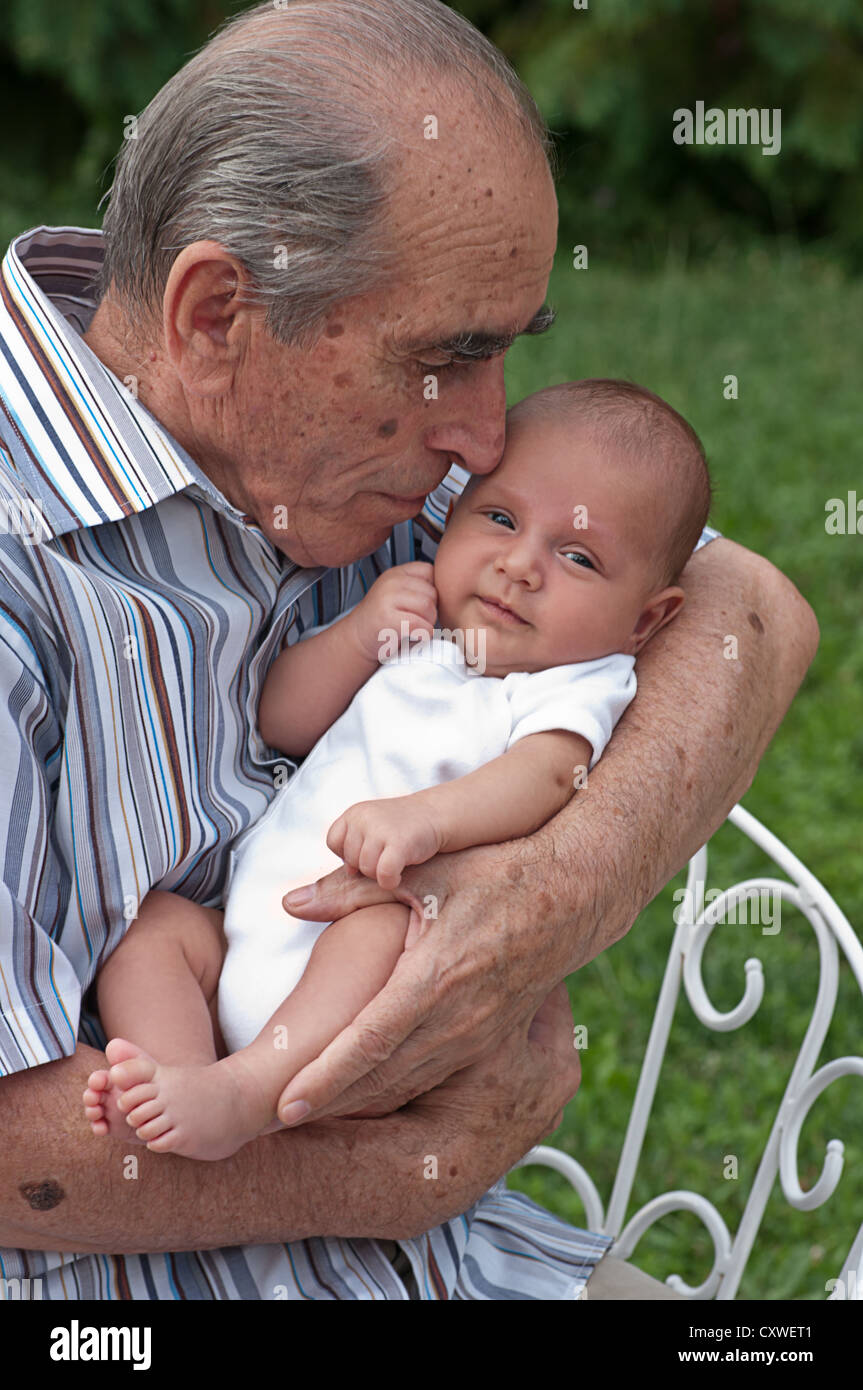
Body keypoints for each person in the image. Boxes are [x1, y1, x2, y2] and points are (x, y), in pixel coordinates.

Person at [0, 0, 817, 1301]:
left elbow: (755, 612)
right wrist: (399, 1165)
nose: (489, 441)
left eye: (506, 352)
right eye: (452, 356)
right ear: (217, 315)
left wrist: (544, 893)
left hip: (471, 1263)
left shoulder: (437, 498)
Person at [82, 378, 709, 1162]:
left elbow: (548, 776)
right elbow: (281, 719)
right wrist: (358, 638)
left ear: (645, 619)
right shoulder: (421, 626)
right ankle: (182, 1076)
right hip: (253, 925)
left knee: (380, 925)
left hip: (362, 952)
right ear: (452, 518)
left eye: (577, 556)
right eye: (500, 520)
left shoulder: (578, 679)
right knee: (156, 929)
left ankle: (246, 1092)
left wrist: (428, 820)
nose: (519, 566)